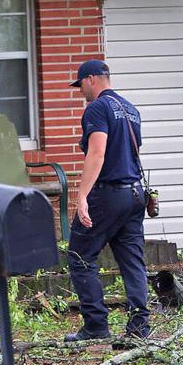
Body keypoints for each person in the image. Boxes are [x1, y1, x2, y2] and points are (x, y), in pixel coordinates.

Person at [64, 59, 150, 346]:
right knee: (132, 261)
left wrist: (82, 196)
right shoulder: (131, 110)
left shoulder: (97, 108)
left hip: (108, 193)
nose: (80, 92)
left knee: (79, 256)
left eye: (80, 86)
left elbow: (97, 153)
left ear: (90, 79)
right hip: (135, 193)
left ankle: (96, 324)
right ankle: (139, 327)